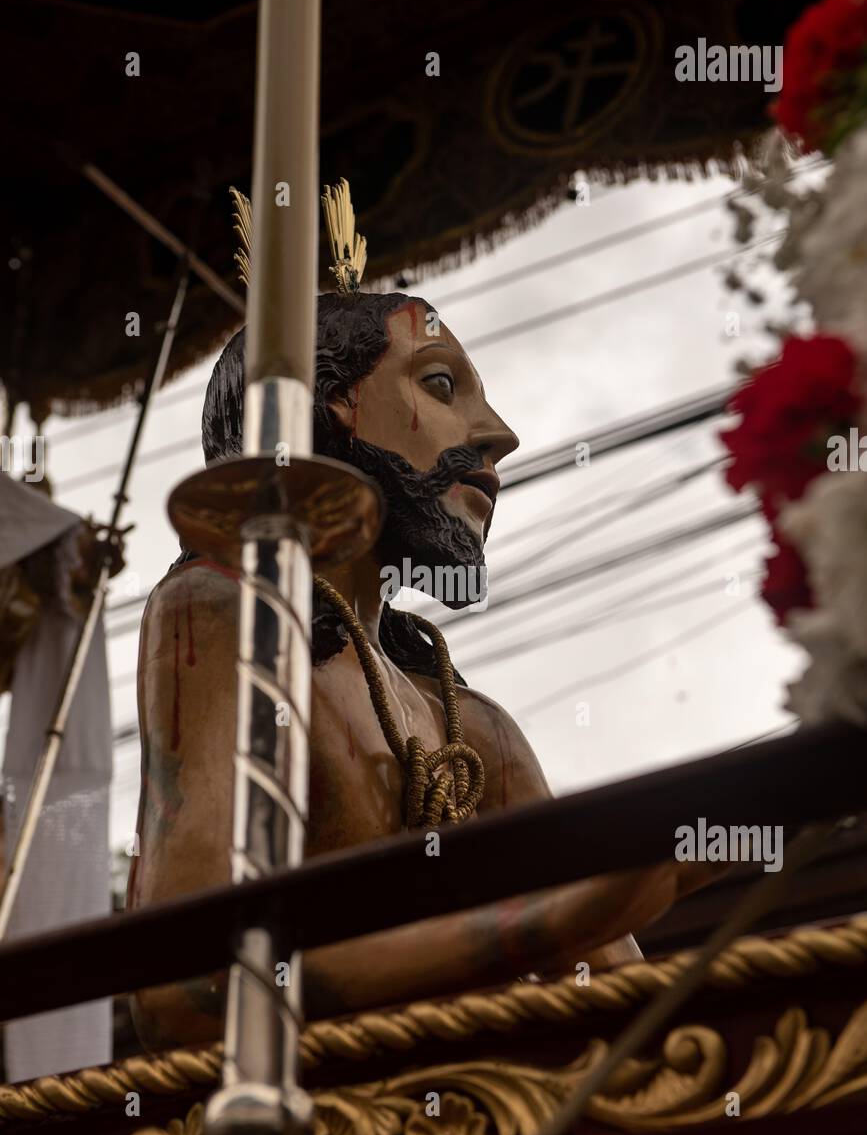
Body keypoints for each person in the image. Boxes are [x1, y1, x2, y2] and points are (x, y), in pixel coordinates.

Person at [128, 293, 719, 1049]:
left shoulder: (474, 727)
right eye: (441, 386)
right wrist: (547, 924)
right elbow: (184, 992)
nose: (497, 436)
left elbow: (630, 1015)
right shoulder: (222, 611)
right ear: (329, 404)